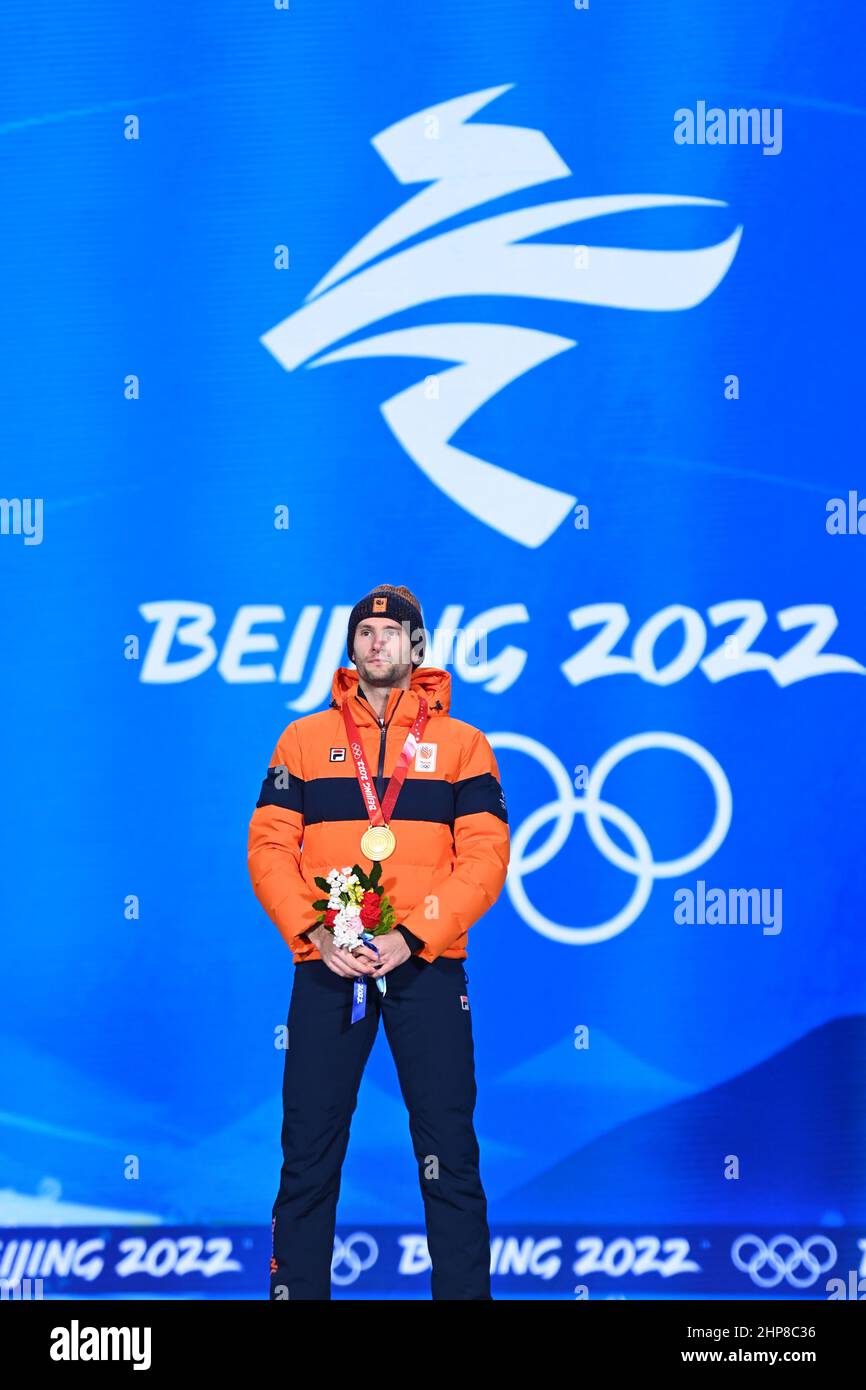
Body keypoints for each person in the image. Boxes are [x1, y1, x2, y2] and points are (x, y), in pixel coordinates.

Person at [247, 583, 510, 1299]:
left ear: (417, 647)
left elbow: (486, 859)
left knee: (448, 1151)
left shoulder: (463, 746)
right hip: (330, 966)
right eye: (365, 630)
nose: (377, 640)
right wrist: (314, 929)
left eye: (392, 631)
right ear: (350, 646)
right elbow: (269, 846)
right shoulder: (302, 740)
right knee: (307, 1152)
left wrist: (416, 934)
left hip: (425, 969)